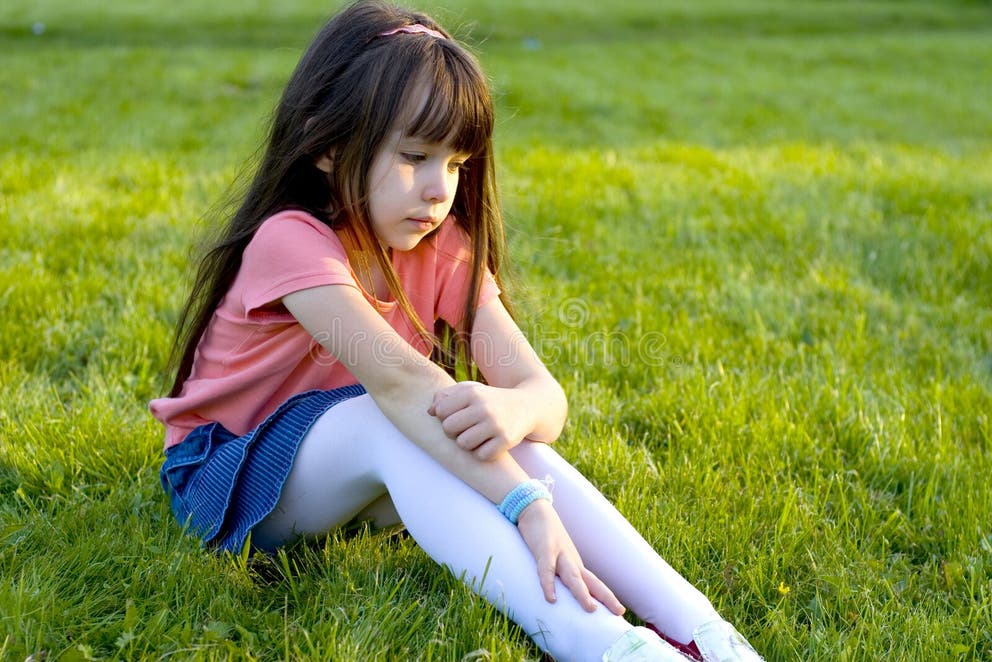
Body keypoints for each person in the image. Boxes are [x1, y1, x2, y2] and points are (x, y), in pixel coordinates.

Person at [150, 2, 765, 660]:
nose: (438, 190)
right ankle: (604, 646)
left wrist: (512, 408)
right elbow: (399, 384)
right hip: (227, 480)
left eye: (456, 163)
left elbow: (544, 398)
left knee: (509, 444)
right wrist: (527, 506)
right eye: (414, 157)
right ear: (327, 145)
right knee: (404, 419)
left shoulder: (444, 249)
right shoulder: (292, 240)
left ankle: (701, 632)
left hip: (353, 483)